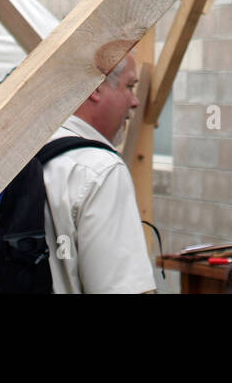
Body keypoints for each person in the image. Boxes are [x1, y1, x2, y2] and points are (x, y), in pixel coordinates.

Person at [41, 53, 156, 294]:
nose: (134, 101)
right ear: (95, 88)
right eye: (129, 86)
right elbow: (121, 288)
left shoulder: (25, 150)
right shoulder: (101, 169)